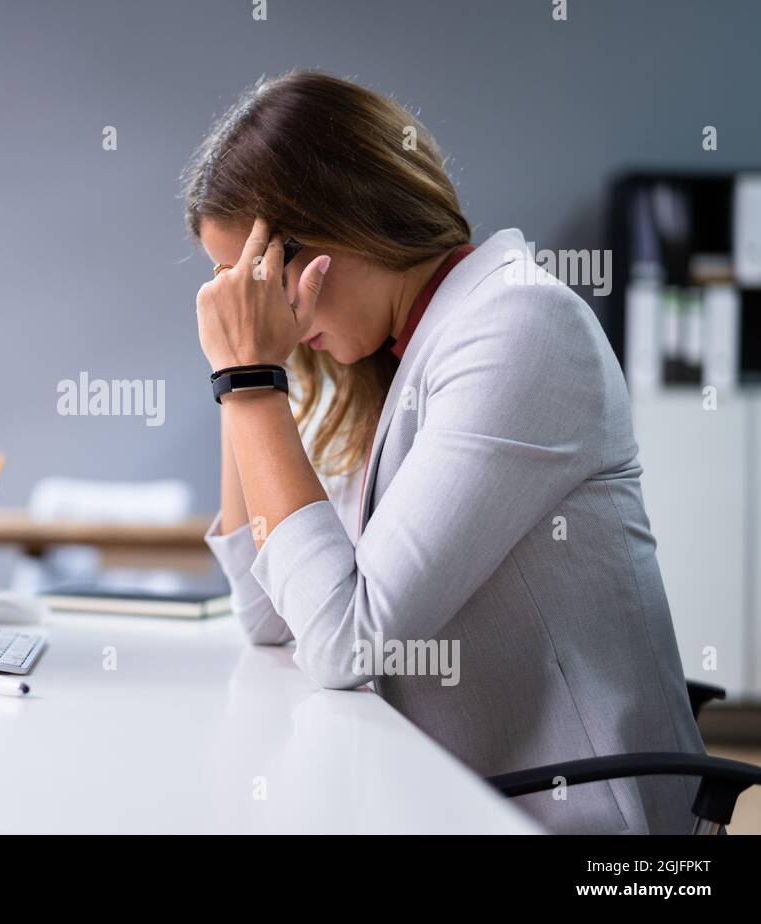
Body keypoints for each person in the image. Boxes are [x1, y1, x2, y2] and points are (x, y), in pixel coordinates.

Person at [185, 70, 703, 834]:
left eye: (261, 274)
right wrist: (245, 374)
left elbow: (342, 641)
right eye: (234, 286)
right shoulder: (398, 358)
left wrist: (249, 379)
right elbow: (272, 614)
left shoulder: (519, 327)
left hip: (591, 830)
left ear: (346, 219)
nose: (262, 307)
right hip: (464, 802)